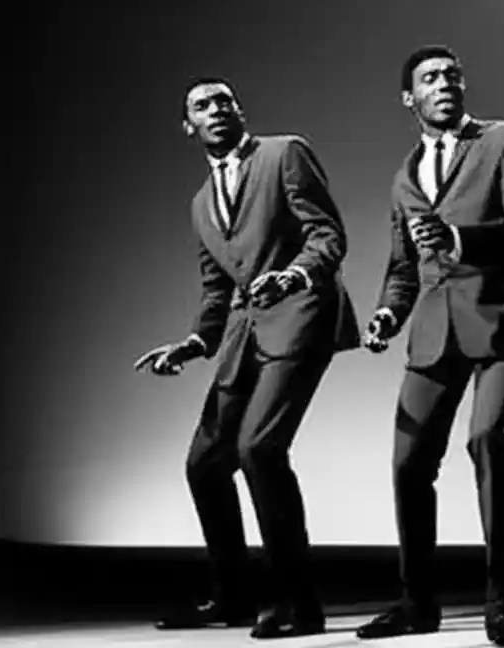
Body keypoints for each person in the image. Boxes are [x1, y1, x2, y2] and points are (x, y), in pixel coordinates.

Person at [135, 77, 359, 639]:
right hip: (243, 336)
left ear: (239, 111)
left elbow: (327, 236)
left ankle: (300, 605)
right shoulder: (200, 204)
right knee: (205, 464)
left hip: (301, 319)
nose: (215, 110)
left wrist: (293, 276)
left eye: (223, 101)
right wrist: (193, 343)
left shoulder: (284, 154)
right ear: (188, 126)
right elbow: (217, 289)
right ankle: (232, 597)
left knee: (259, 449)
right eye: (201, 106)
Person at [355, 45, 504, 647]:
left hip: (501, 323)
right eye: (430, 78)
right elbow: (403, 267)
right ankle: (417, 604)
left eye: (452, 75)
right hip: (433, 333)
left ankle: (501, 604)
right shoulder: (404, 176)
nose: (444, 83)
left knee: (487, 441)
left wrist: (460, 238)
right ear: (409, 98)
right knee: (408, 463)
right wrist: (388, 313)